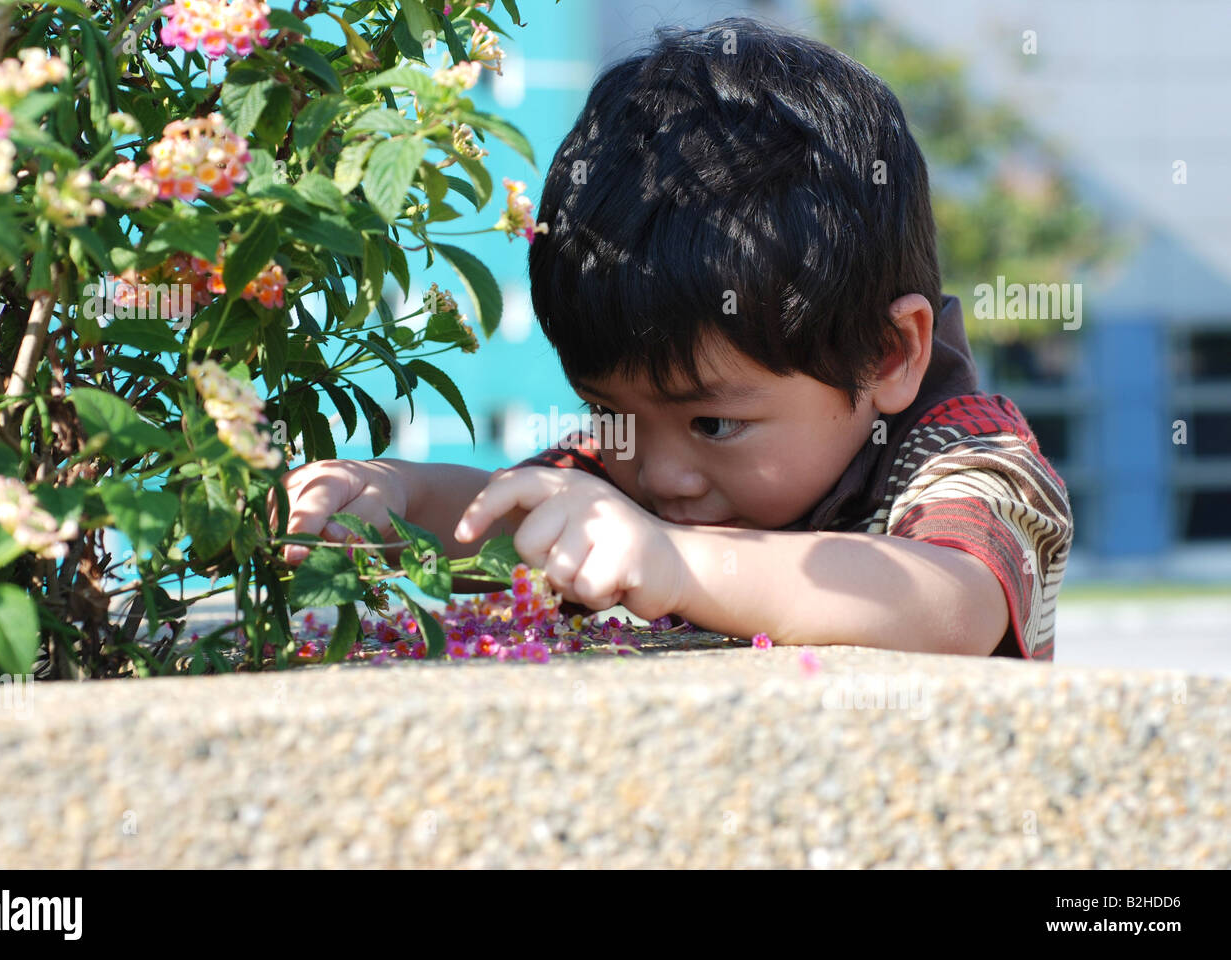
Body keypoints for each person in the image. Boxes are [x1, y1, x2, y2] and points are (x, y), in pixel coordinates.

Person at [275, 16, 1073, 659]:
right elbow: (506, 520)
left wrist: (676, 560)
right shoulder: (638, 453)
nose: (660, 477)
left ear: (888, 353)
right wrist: (391, 496)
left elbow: (953, 602)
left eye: (713, 423)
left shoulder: (962, 454)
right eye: (607, 409)